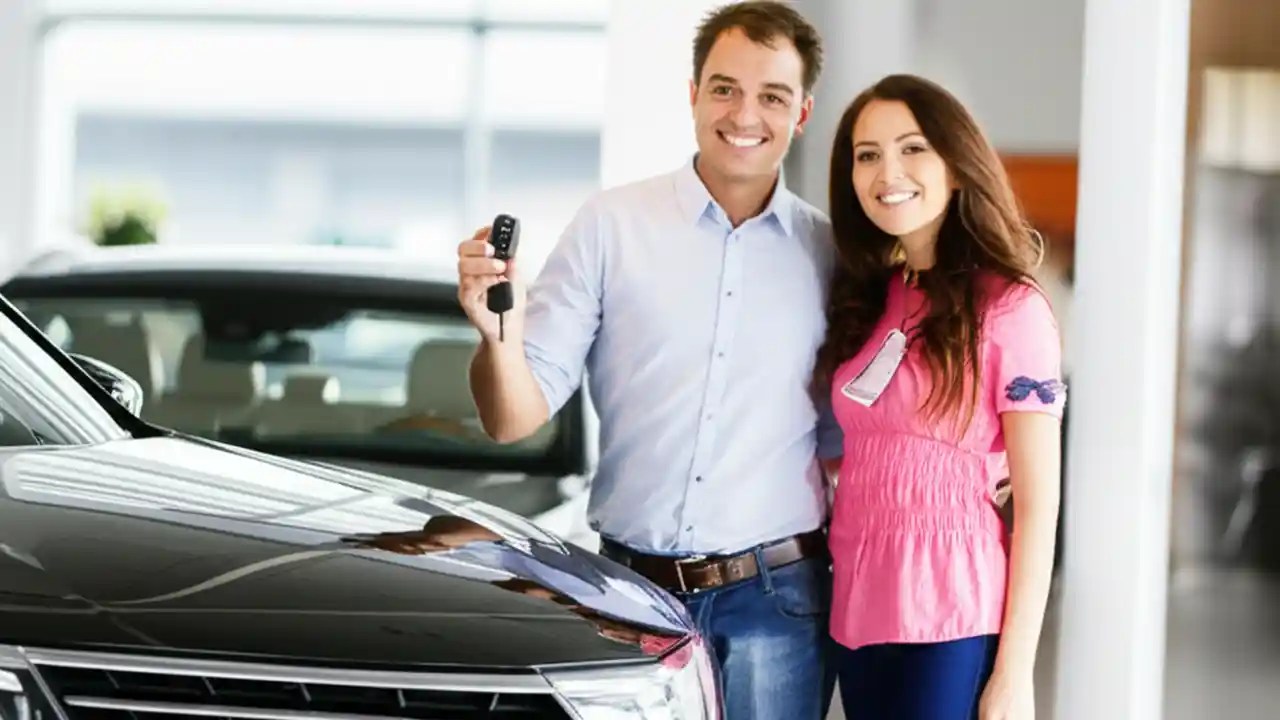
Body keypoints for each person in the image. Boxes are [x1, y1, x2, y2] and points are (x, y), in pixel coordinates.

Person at [454, 2, 840, 717]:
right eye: (724, 87)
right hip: (625, 596)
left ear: (803, 112)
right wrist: (492, 333)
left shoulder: (831, 257)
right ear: (693, 93)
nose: (744, 113)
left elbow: (856, 439)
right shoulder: (611, 226)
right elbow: (512, 418)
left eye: (772, 96)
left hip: (778, 600)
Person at [814, 74, 1064, 719]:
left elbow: (1039, 506)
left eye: (912, 147)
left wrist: (1014, 675)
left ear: (957, 166)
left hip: (952, 613)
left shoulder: (1011, 307)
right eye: (866, 155)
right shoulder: (870, 296)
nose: (886, 171)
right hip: (858, 608)